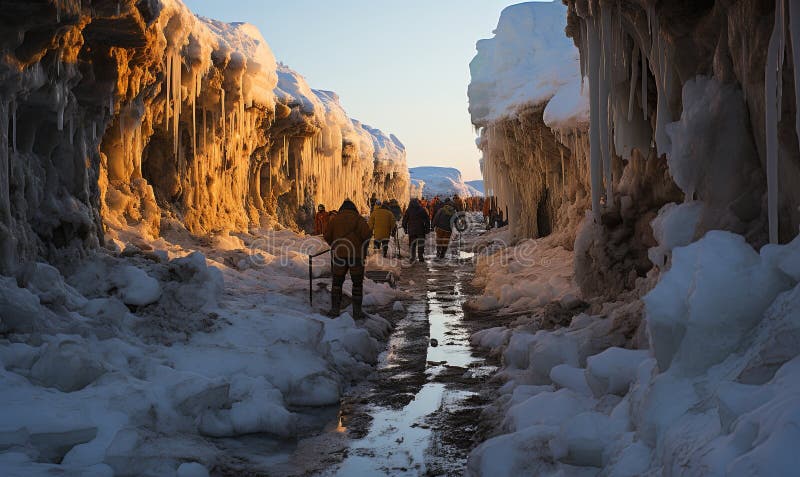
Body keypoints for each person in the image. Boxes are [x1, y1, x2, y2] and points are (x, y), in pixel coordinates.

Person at [324, 199, 372, 319]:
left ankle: (335, 309)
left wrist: (335, 245)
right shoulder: (358, 219)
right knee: (357, 284)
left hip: (339, 255)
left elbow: (327, 235)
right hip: (356, 256)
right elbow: (367, 234)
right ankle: (357, 312)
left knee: (337, 282)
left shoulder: (335, 219)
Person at [402, 198, 430, 263]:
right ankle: (421, 257)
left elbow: (404, 221)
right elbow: (427, 220)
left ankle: (412, 257)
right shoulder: (422, 210)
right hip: (421, 230)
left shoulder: (408, 210)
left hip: (412, 230)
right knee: (421, 244)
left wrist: (405, 229)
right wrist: (427, 229)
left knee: (412, 244)